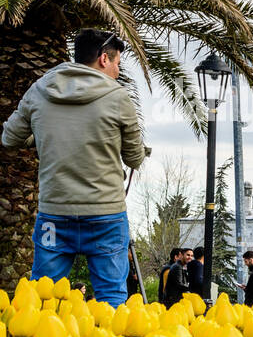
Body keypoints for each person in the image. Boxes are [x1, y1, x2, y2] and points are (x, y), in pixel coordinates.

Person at [1, 28, 149, 307]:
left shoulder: (40, 89)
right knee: (111, 298)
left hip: (54, 213)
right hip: (105, 215)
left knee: (43, 298)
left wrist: (42, 137)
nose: (118, 70)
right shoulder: (118, 98)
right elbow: (134, 159)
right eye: (117, 62)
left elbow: (9, 138)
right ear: (104, 59)